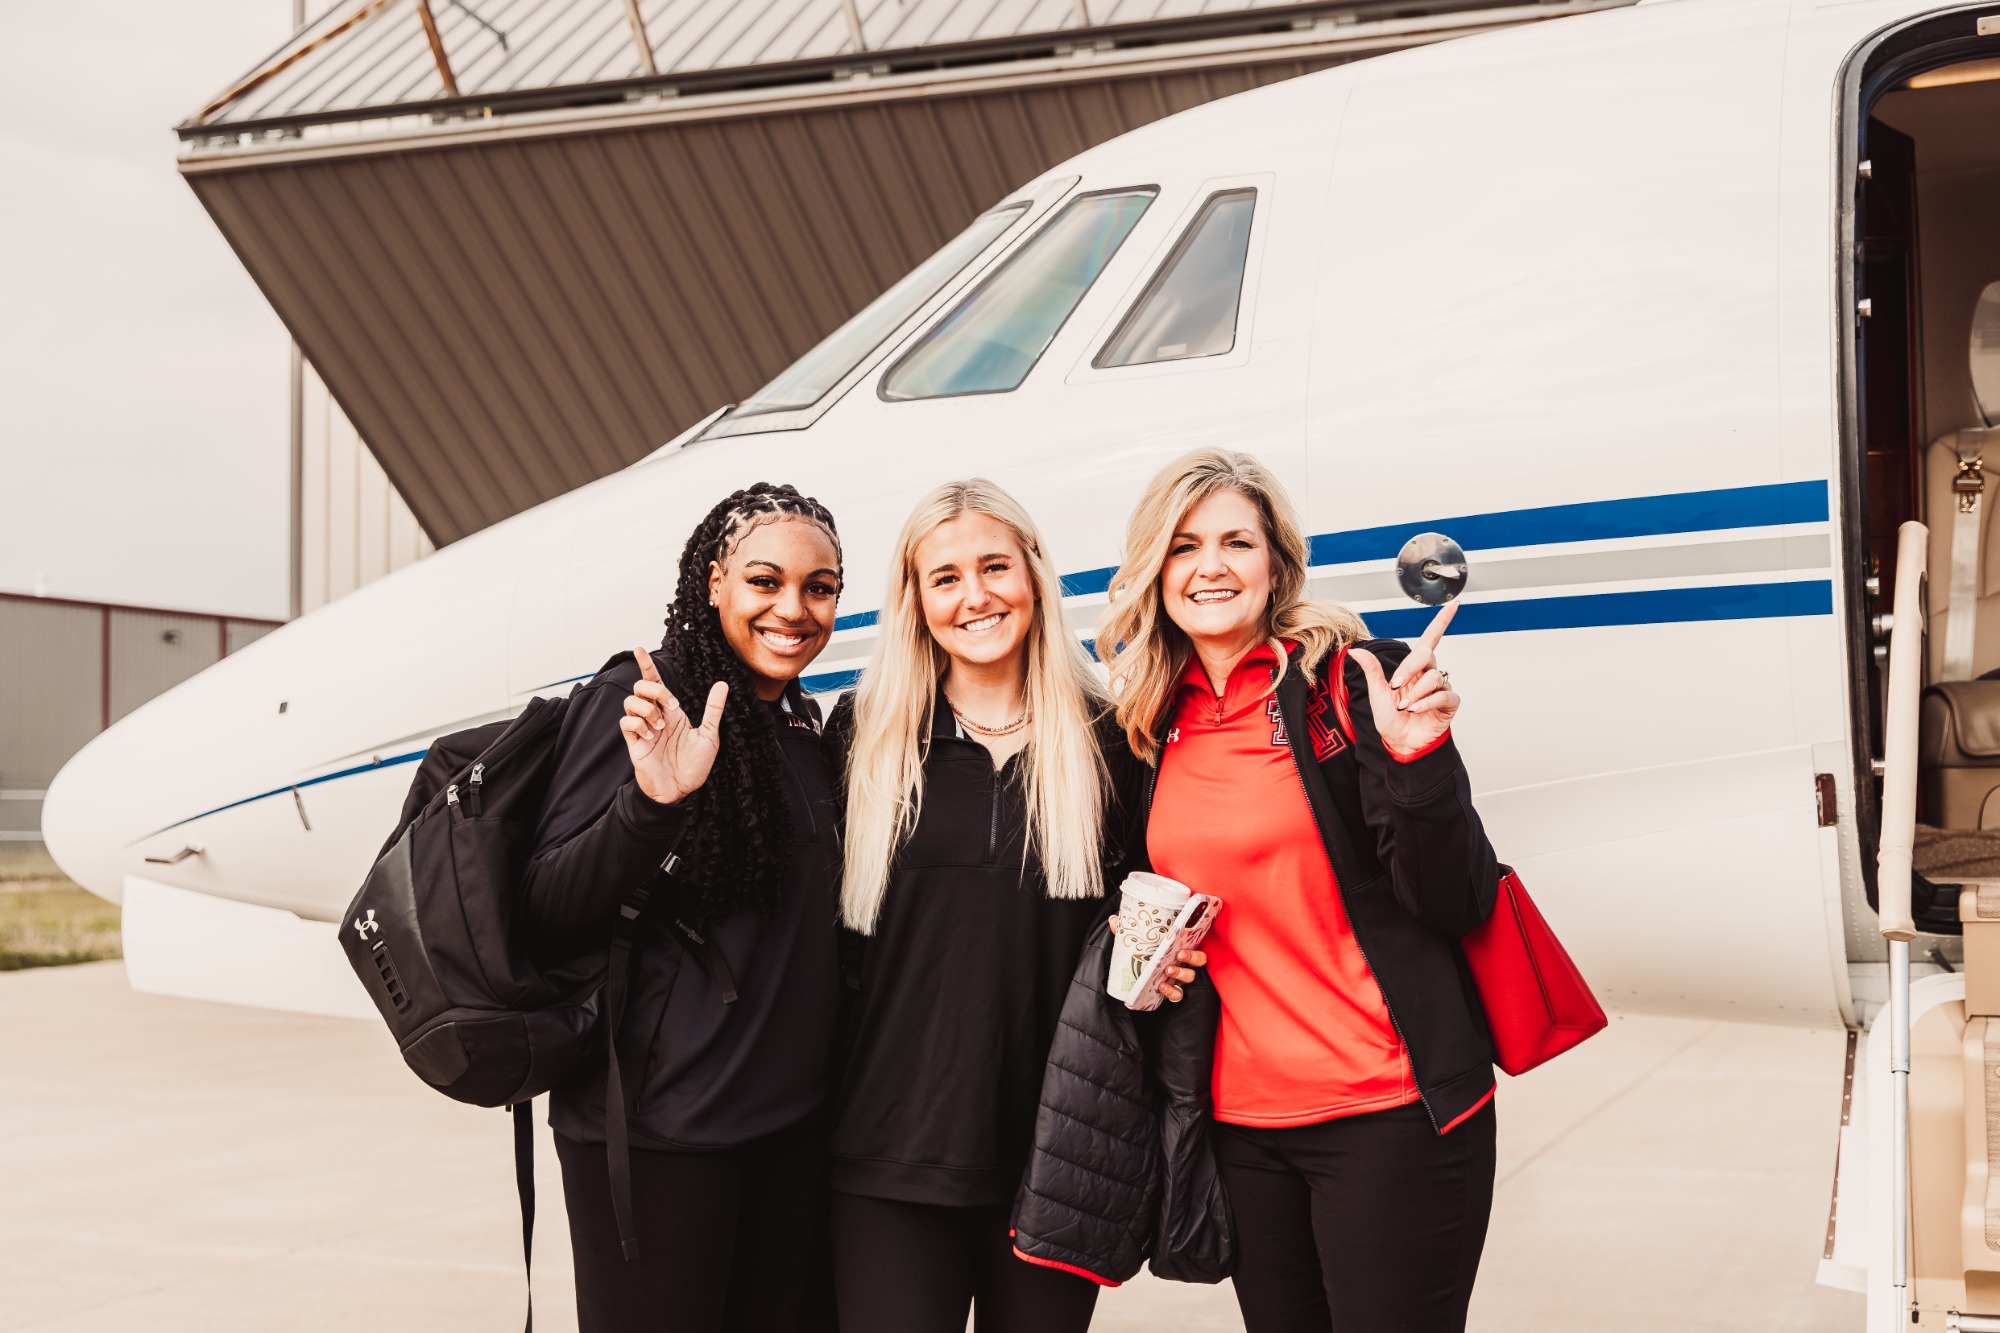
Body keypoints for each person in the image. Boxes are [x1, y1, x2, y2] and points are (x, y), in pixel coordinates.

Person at [1095, 448, 1500, 1333]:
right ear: (1155, 570)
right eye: (1184, 545)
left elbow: (1457, 898)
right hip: (1242, 1130)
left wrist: (1417, 759)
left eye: (1236, 541)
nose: (1211, 567)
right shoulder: (1150, 723)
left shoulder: (1351, 684)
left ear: (1275, 561)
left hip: (1387, 1110)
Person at [826, 478, 1204, 1333]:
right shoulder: (864, 735)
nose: (975, 596)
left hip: (1058, 1158)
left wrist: (1167, 963)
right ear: (917, 602)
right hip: (886, 1158)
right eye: (946, 577)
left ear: (1033, 575)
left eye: (995, 566)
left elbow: (1148, 926)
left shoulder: (1114, 741)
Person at [517, 483, 846, 1333]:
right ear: (713, 581)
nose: (793, 609)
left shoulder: (806, 733)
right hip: (659, 1135)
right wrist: (652, 803)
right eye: (764, 581)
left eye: (820, 587)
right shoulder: (645, 699)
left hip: (787, 1136)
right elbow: (548, 905)